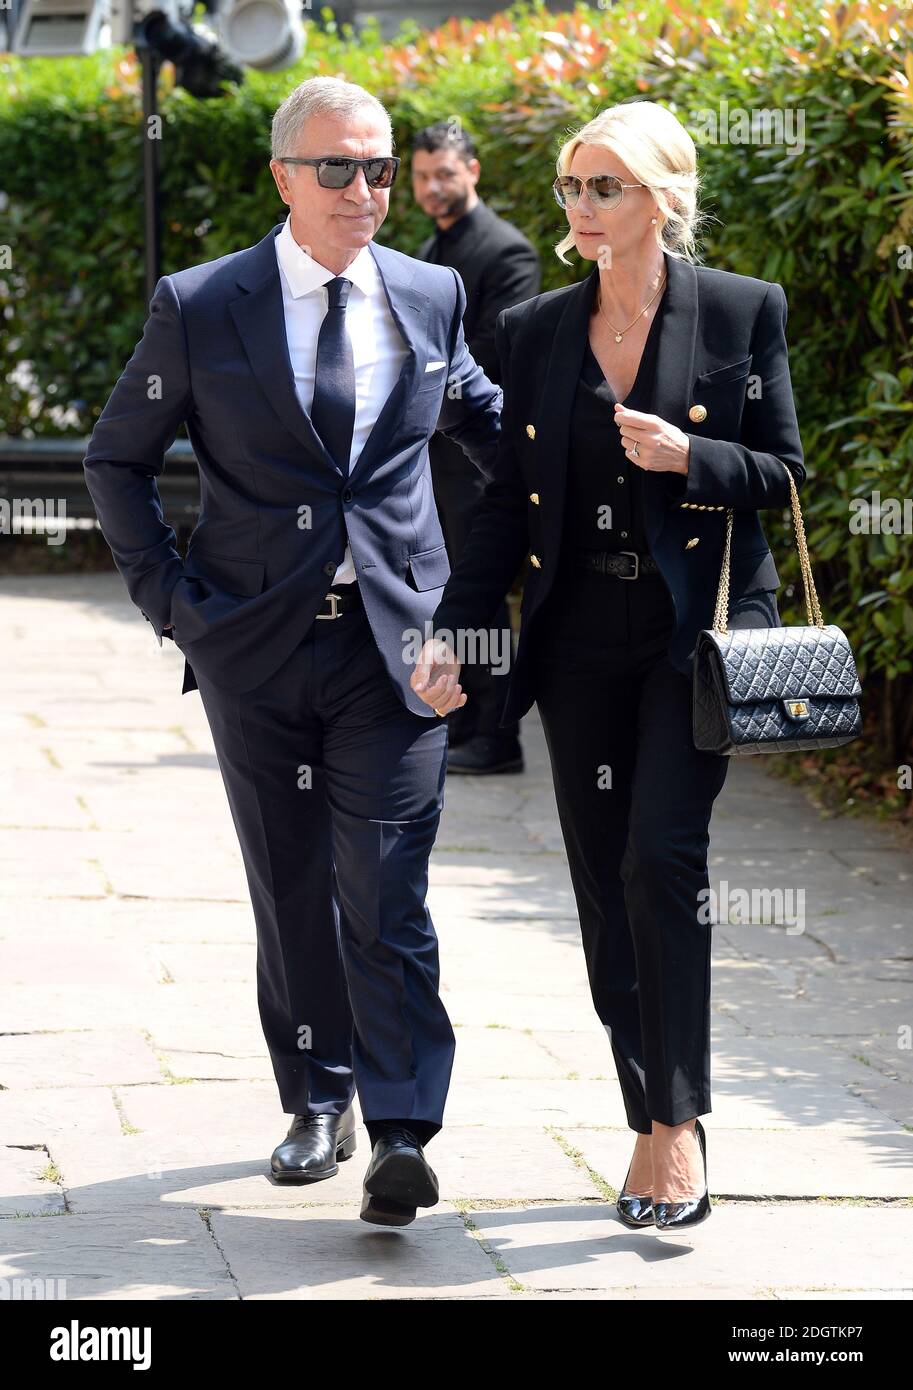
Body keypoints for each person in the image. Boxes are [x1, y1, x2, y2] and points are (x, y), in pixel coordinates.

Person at [83, 76, 502, 1228]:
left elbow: (494, 440)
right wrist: (175, 605)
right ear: (284, 175)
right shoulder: (203, 304)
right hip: (254, 651)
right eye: (339, 168)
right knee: (291, 885)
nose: (366, 190)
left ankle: (403, 1126)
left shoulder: (431, 293)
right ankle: (316, 1099)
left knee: (387, 884)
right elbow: (115, 459)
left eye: (378, 168)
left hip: (399, 653)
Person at [410, 100, 805, 1234]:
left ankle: (672, 1128)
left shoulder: (738, 311)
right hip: (578, 640)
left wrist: (695, 455)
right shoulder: (537, 329)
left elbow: (783, 472)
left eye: (606, 188)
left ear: (661, 199)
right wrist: (458, 627)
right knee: (600, 882)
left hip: (691, 641)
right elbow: (496, 508)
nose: (581, 209)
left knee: (659, 858)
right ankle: (647, 1098)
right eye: (574, 188)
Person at [413, 121, 541, 773]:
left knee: (482, 591)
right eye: (422, 175)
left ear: (473, 171)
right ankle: (461, 721)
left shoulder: (505, 252)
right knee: (450, 590)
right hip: (436, 458)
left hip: (479, 457)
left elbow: (493, 358)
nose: (433, 187)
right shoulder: (432, 247)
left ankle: (497, 736)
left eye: (445, 173)